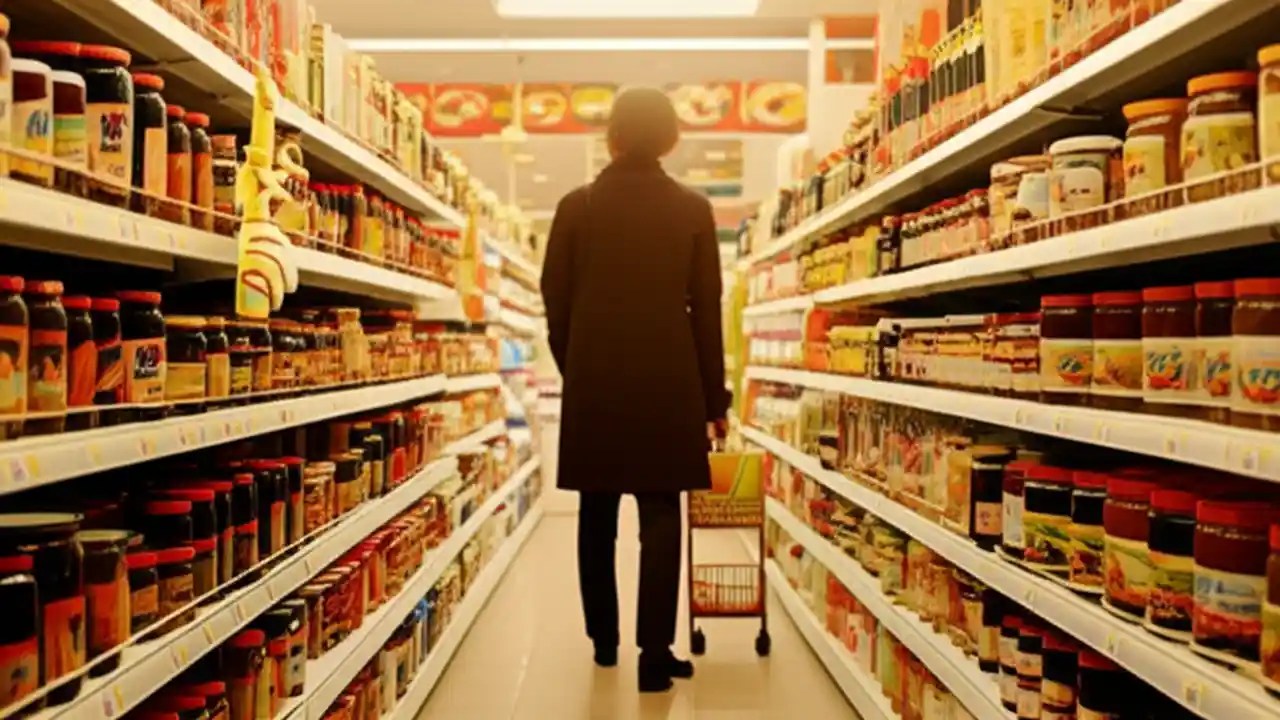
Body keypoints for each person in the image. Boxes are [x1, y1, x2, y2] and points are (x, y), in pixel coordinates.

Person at [540, 87, 730, 693]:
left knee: (596, 515)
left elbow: (555, 301)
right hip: (669, 382)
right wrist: (714, 400)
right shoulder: (693, 209)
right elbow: (707, 311)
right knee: (660, 515)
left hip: (595, 381)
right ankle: (655, 652)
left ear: (612, 137)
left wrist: (578, 367)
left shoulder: (577, 207)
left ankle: (604, 643)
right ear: (671, 138)